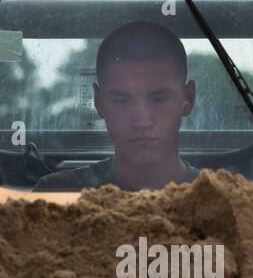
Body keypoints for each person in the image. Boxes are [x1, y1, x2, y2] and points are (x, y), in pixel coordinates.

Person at [33, 21, 200, 191]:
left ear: (188, 98)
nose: (142, 121)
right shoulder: (56, 194)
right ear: (98, 102)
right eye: (122, 100)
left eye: (159, 99)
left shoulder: (221, 197)